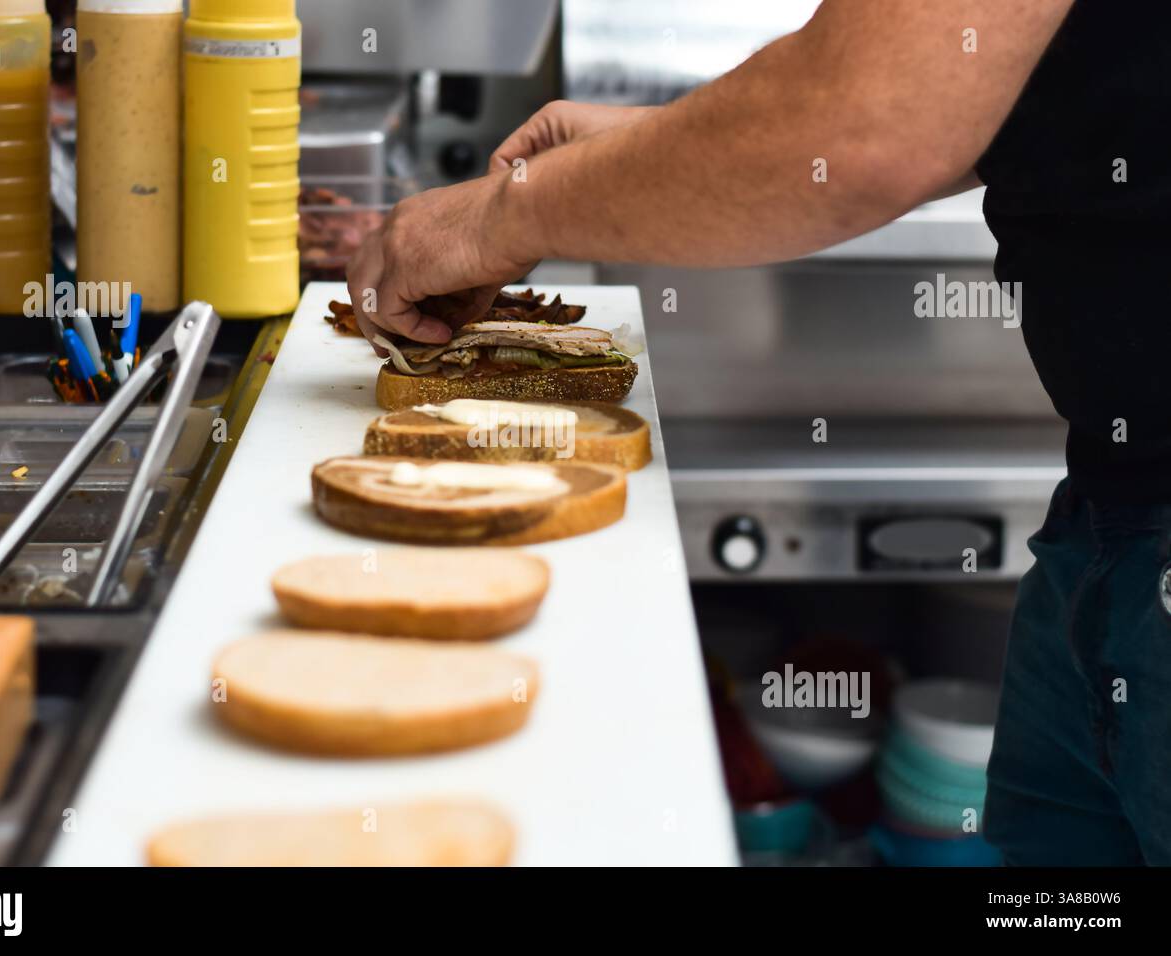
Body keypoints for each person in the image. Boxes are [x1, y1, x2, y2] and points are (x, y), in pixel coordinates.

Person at [347, 0, 1171, 865]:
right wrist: (662, 144)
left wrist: (501, 217)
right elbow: (967, 88)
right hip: (1108, 524)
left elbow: (865, 129)